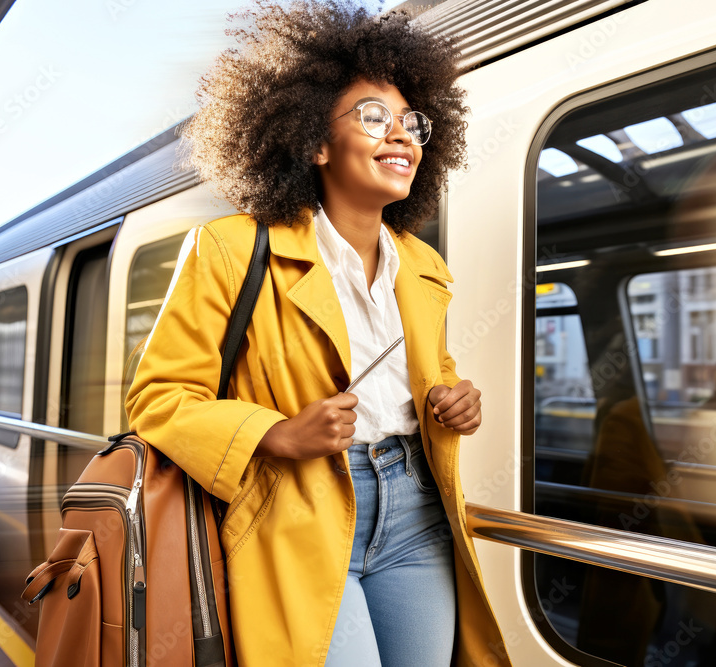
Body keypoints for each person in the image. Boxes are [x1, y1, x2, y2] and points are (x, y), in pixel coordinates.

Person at [124, 2, 514, 666]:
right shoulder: (229, 249)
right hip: (299, 505)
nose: (402, 136)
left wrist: (455, 400)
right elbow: (158, 399)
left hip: (417, 507)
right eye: (372, 118)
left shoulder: (424, 268)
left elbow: (431, 371)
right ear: (315, 140)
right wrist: (275, 432)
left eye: (412, 123)